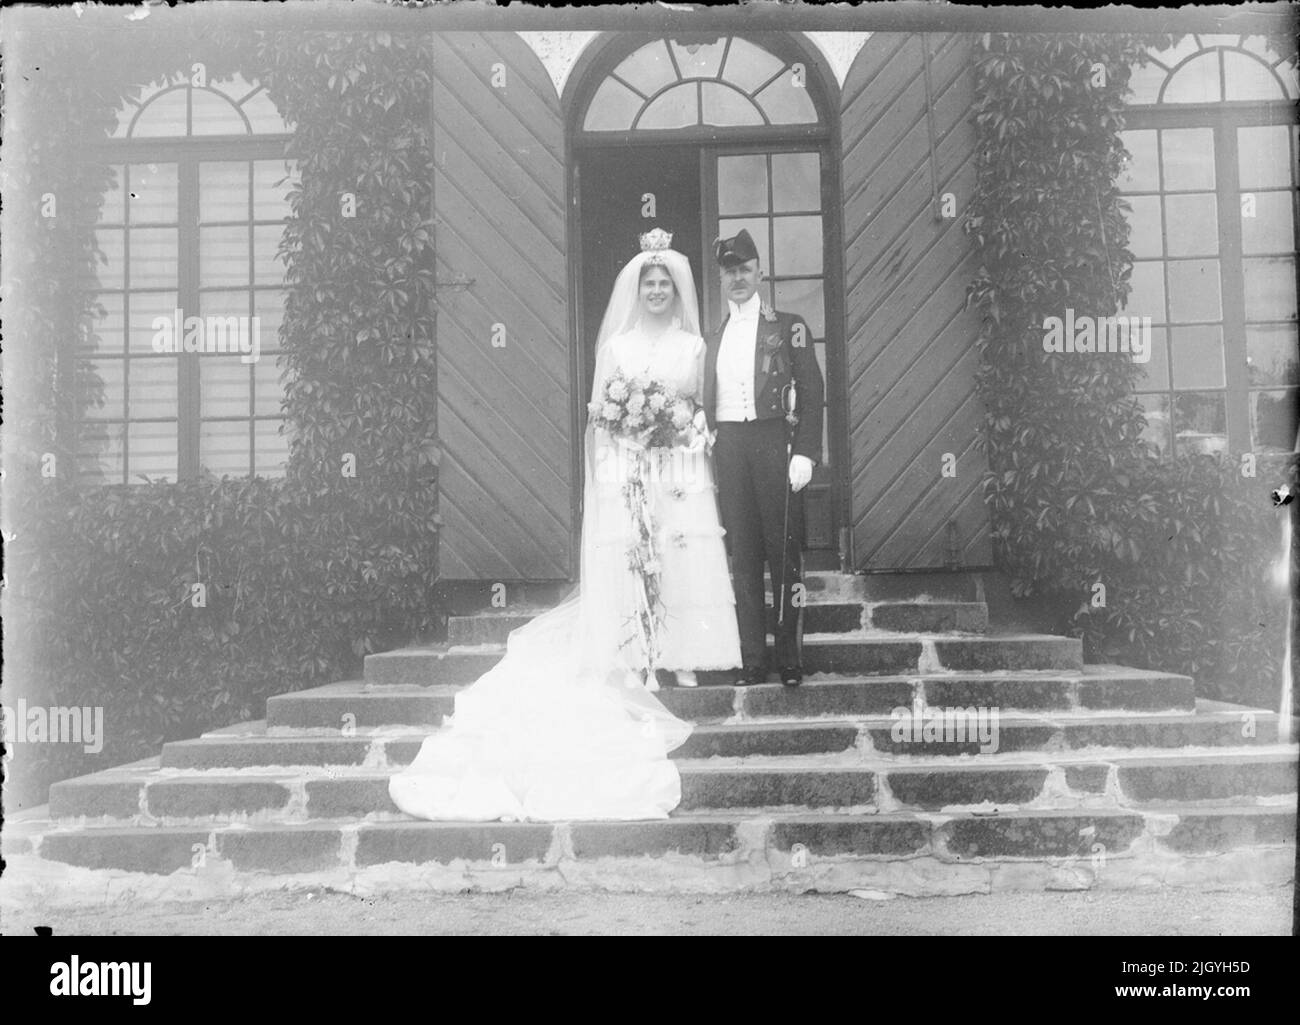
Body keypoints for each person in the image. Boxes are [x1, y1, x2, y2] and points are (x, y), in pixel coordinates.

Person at [388, 229, 740, 822]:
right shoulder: (619, 346)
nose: (657, 291)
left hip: (676, 465)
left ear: (678, 292)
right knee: (635, 551)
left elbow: (697, 408)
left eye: (665, 284)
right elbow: (603, 412)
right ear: (637, 291)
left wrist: (678, 431)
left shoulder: (692, 347)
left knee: (680, 550)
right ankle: (635, 648)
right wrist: (620, 453)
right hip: (628, 462)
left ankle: (682, 650)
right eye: (648, 284)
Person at [703, 229, 825, 688]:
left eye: (745, 270)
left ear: (761, 273)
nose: (738, 278)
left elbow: (813, 394)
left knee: (784, 552)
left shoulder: (788, 326)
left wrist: (808, 453)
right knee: (744, 554)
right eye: (730, 272)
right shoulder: (713, 337)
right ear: (721, 278)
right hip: (730, 447)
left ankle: (790, 657)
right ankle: (753, 658)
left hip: (777, 444)